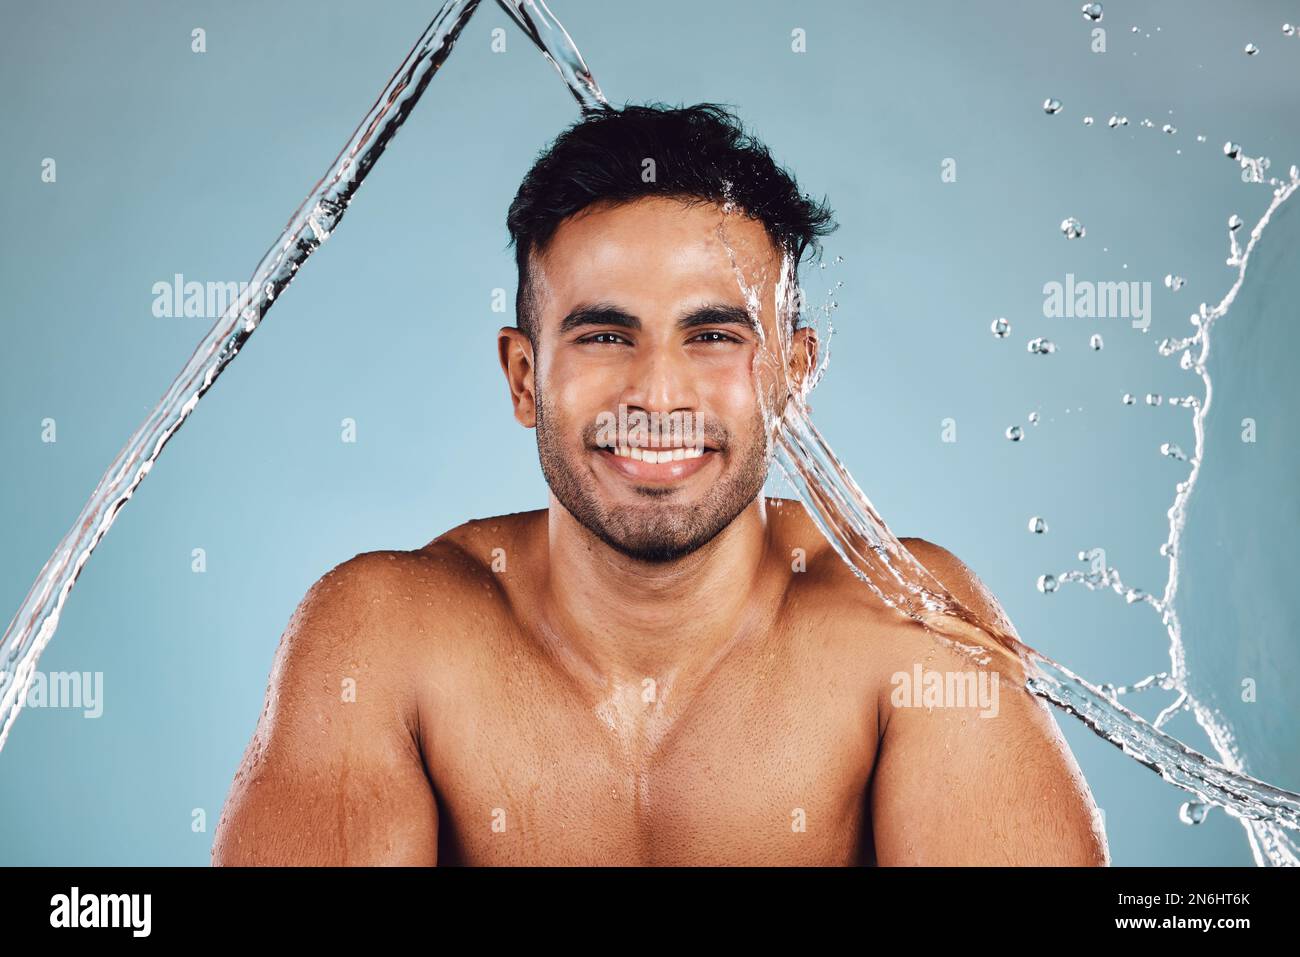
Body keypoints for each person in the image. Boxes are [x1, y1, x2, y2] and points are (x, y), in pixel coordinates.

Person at [212, 104, 1108, 866]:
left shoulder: (911, 631)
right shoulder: (384, 638)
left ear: (792, 375)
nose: (658, 391)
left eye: (714, 335)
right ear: (525, 377)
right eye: (606, 335)